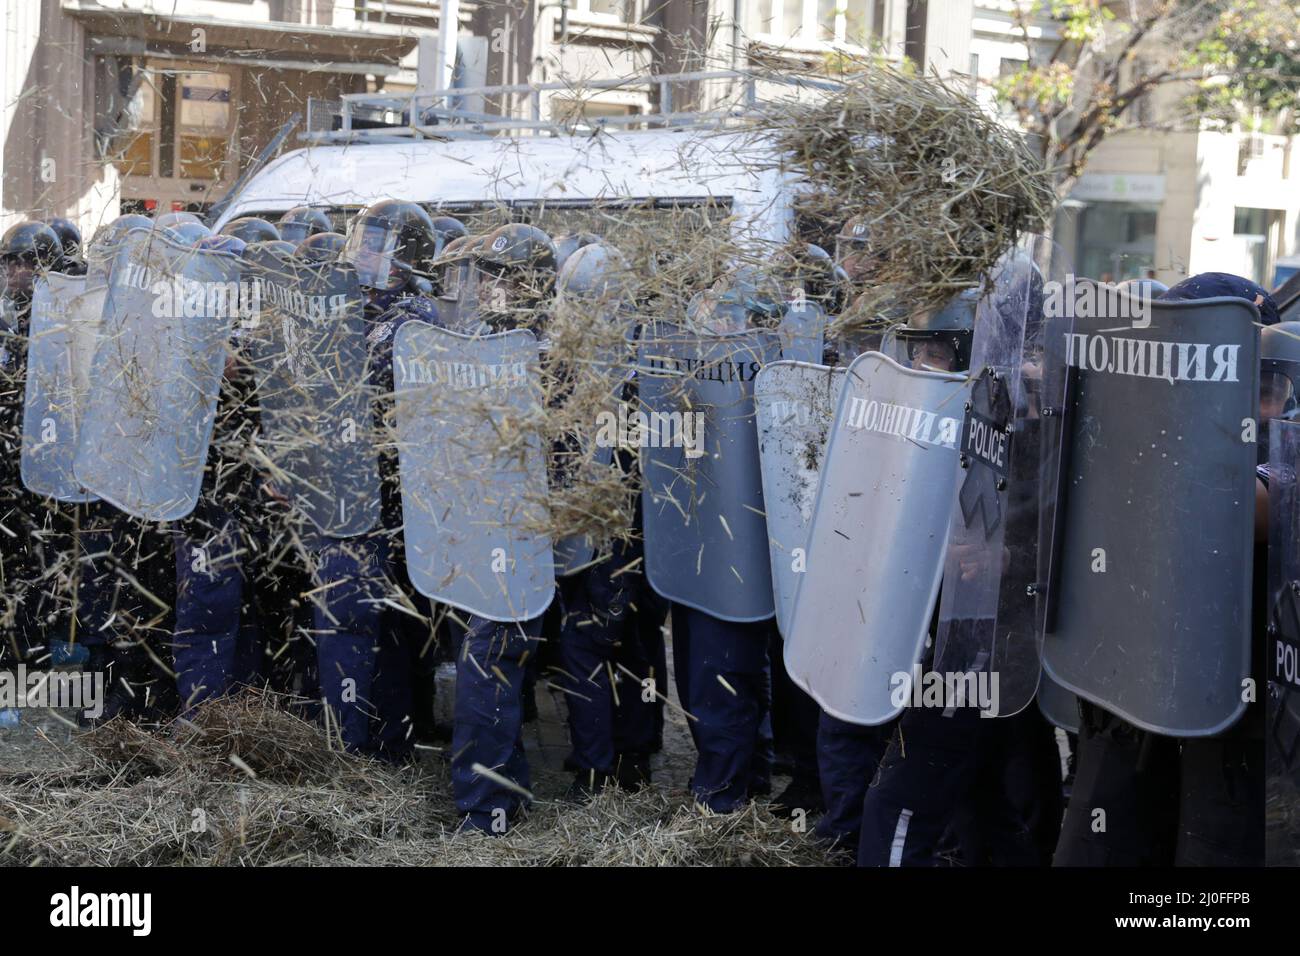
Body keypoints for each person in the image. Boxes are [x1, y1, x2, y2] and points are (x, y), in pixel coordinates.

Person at [1052, 272, 1277, 867]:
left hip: (1231, 715)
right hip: (1125, 695)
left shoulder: (1277, 450)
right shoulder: (1126, 431)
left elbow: (1244, 505)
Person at [449, 221, 558, 832]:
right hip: (487, 528)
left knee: (488, 665)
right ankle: (505, 790)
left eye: (498, 278)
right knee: (493, 664)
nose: (485, 289)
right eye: (485, 278)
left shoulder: (542, 353)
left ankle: (486, 806)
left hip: (519, 536)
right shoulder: (489, 343)